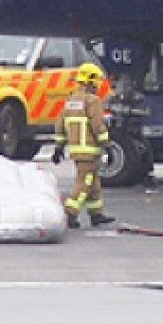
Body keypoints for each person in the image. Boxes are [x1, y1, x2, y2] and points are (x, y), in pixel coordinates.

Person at [52, 62, 115, 229]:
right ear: (91, 81)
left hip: (76, 150)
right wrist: (107, 145)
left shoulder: (70, 100)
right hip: (89, 151)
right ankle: (70, 213)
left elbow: (60, 125)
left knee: (93, 183)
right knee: (84, 183)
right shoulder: (92, 101)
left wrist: (58, 147)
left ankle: (96, 215)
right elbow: (98, 126)